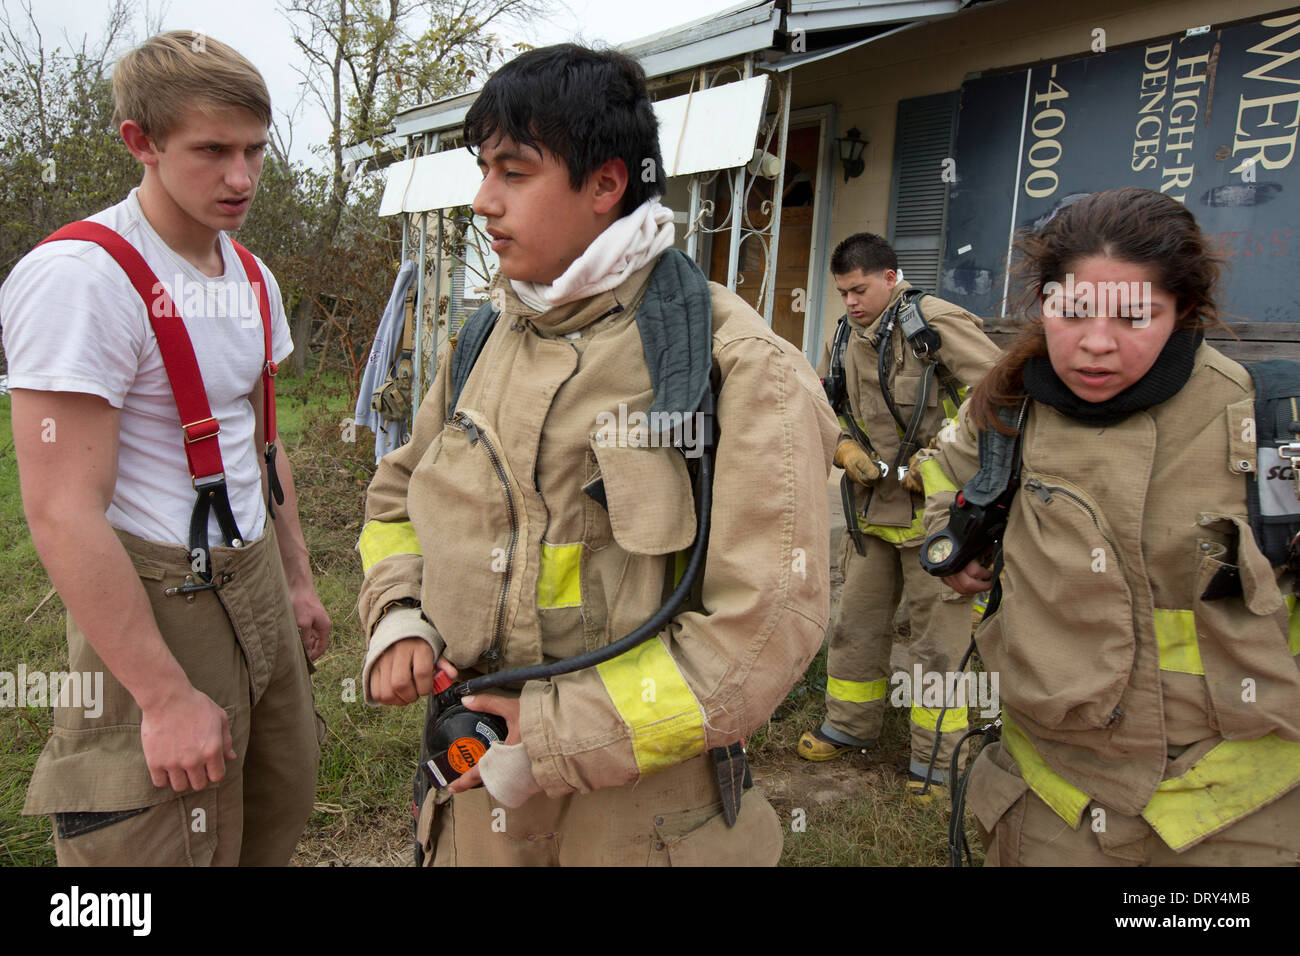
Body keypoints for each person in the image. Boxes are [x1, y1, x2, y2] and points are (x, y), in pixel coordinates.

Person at [357, 43, 839, 866]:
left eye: (514, 173)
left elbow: (761, 634)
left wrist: (553, 735)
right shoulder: (481, 343)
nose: (482, 201)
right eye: (483, 171)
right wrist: (399, 616)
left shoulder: (736, 365)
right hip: (474, 804)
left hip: (641, 824)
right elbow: (394, 503)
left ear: (607, 183)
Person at [1, 32, 328, 866]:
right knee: (164, 843)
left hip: (256, 574)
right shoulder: (81, 278)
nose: (242, 178)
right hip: (159, 597)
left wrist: (296, 580)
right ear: (140, 142)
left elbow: (262, 445)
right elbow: (61, 510)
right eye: (212, 151)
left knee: (276, 804)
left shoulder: (250, 275)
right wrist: (162, 696)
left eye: (255, 150)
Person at [917, 186, 1300, 864]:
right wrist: (952, 543)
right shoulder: (1007, 406)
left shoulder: (1269, 424)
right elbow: (946, 473)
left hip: (1238, 810)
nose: (1096, 344)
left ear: (1183, 309)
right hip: (1054, 795)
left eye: (1135, 316)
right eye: (1072, 312)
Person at [797, 233, 1000, 802]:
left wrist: (940, 458)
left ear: (891, 278)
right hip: (871, 517)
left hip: (938, 520)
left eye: (860, 289)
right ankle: (849, 724)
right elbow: (823, 405)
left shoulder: (933, 324)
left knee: (939, 645)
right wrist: (842, 449)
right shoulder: (845, 337)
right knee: (855, 626)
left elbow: (1002, 393)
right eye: (842, 292)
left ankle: (937, 760)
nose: (850, 302)